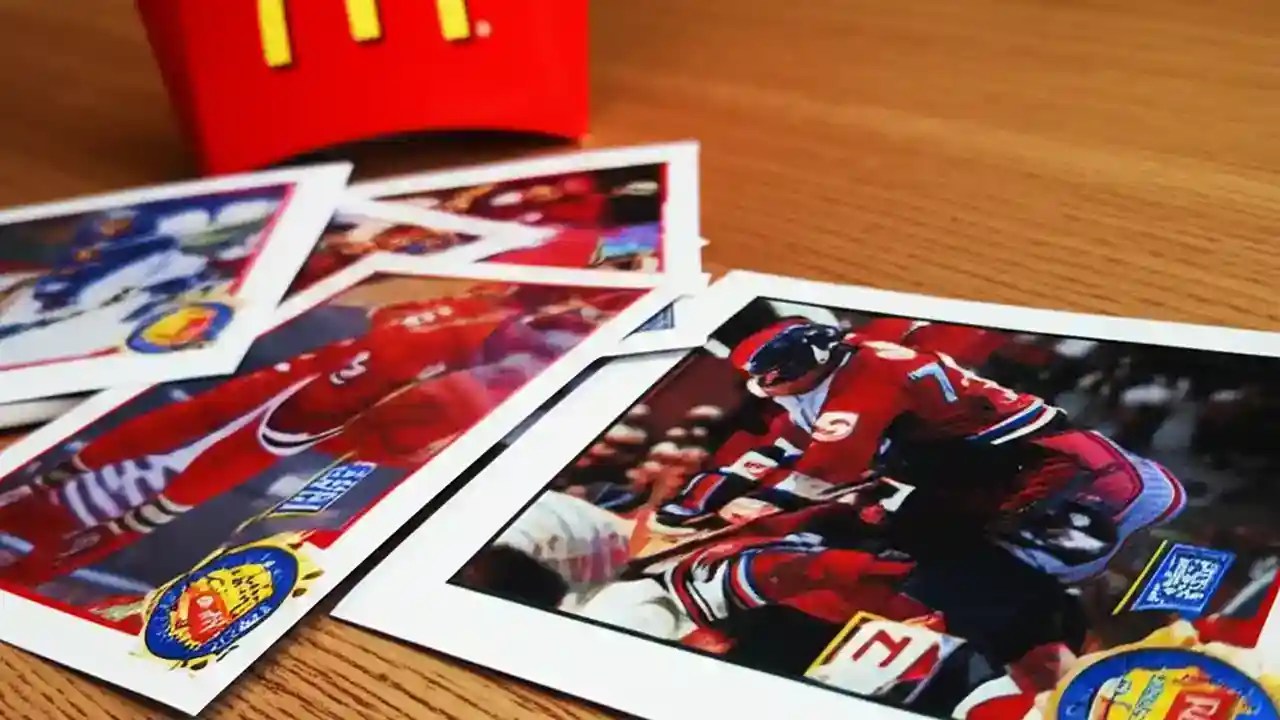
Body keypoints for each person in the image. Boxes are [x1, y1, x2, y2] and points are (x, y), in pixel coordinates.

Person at [0, 285, 634, 587]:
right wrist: (148, 490)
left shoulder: (478, 354)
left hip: (277, 432)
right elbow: (247, 427)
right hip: (210, 451)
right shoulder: (436, 354)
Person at [658, 320, 1186, 584]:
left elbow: (823, 470)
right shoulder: (845, 366)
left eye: (769, 379)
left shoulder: (861, 388)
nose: (764, 388)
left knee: (911, 529)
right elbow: (787, 445)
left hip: (1011, 452)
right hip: (969, 447)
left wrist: (763, 509)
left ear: (801, 367)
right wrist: (698, 501)